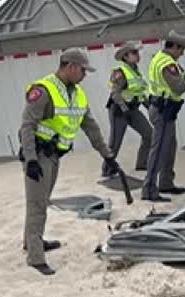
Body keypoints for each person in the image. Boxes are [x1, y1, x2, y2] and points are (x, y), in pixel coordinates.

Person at [18, 47, 115, 276]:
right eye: (82, 70)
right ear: (70, 67)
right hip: (39, 155)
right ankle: (35, 257)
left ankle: (31, 242)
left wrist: (107, 155)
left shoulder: (77, 94)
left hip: (54, 156)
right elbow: (27, 126)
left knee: (41, 200)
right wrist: (31, 159)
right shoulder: (43, 91)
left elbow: (91, 128)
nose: (84, 75)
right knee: (37, 205)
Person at [142, 30, 185, 202]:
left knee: (169, 147)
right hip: (163, 110)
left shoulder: (160, 58)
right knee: (159, 150)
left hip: (164, 109)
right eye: (181, 49)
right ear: (173, 46)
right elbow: (178, 88)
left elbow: (170, 82)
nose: (182, 53)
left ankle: (166, 182)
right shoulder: (167, 63)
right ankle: (149, 190)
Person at [101, 42, 153, 182]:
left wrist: (151, 107)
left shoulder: (135, 71)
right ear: (126, 56)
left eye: (137, 52)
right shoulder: (121, 72)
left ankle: (142, 163)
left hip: (132, 109)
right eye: (134, 53)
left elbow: (139, 93)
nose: (138, 55)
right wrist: (124, 110)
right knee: (115, 142)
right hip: (119, 109)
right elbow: (115, 94)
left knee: (149, 134)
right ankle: (107, 169)